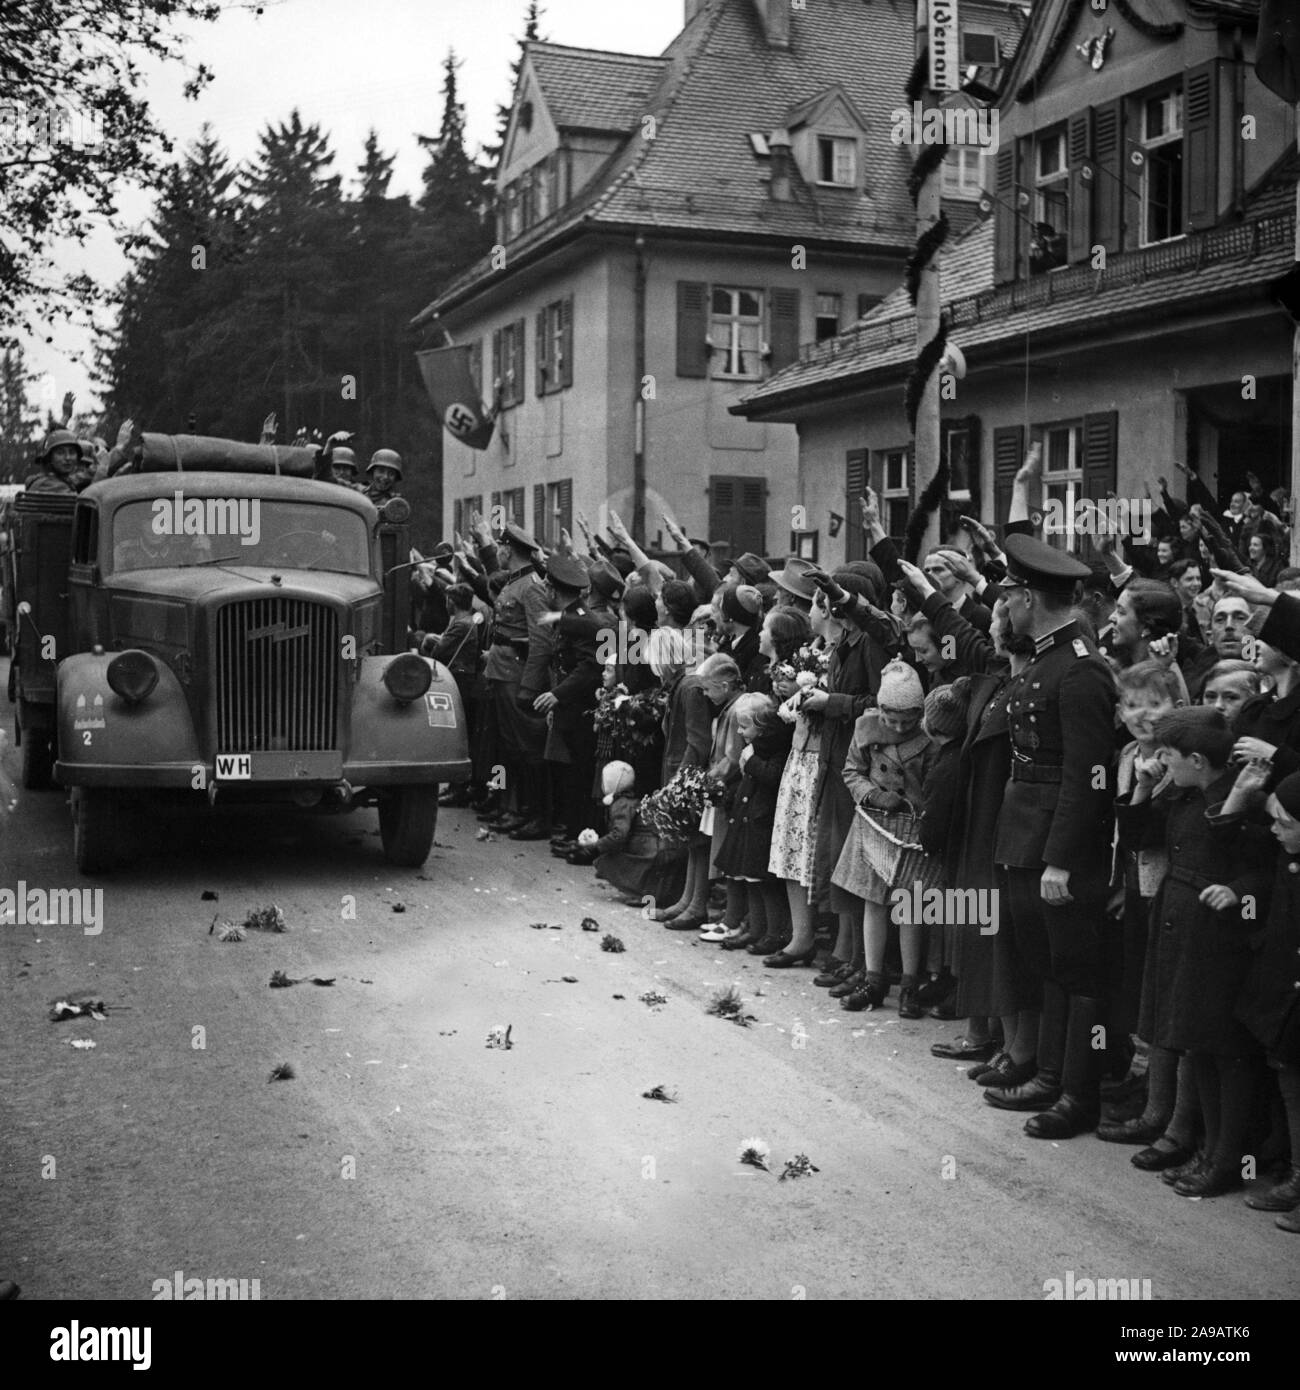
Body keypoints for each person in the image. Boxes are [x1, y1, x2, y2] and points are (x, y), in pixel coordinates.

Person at [982, 533, 1118, 1142]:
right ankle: (1052, 1073)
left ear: (1030, 598)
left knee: (1080, 974)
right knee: (1049, 966)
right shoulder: (1047, 659)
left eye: (1010, 595)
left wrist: (1060, 860)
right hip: (1026, 834)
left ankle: (1079, 1095)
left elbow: (1087, 777)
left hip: (1059, 849)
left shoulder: (1082, 670)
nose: (1004, 607)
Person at [1116, 708, 1273, 1197]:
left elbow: (1263, 871)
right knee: (1194, 1044)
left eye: (1167, 755)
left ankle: (1227, 1159)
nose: (1159, 761)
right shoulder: (1183, 794)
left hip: (1217, 939)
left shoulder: (1241, 799)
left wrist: (1236, 892)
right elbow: (1141, 839)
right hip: (1179, 924)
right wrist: (1142, 788)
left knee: (1223, 1051)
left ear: (1199, 760)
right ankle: (1203, 1149)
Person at [1234, 769, 1300, 1230]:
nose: (1274, 830)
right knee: (1291, 1083)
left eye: (1285, 822)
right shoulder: (1287, 859)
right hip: (1285, 992)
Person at [481, 523, 551, 838]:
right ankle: (515, 808)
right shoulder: (516, 581)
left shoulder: (531, 586)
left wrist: (530, 686)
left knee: (527, 747)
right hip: (502, 670)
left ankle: (535, 814)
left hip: (517, 673)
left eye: (499, 547)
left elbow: (541, 640)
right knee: (510, 746)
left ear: (509, 549)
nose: (498, 551)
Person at [713, 693, 795, 960]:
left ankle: (772, 932)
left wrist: (752, 762)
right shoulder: (756, 748)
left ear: (762, 726)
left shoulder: (774, 749)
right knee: (751, 878)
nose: (739, 731)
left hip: (763, 820)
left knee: (765, 882)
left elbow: (773, 776)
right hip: (750, 817)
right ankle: (756, 928)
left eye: (744, 726)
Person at [535, 553, 602, 850]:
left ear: (553, 590)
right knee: (568, 773)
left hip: (582, 711)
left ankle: (579, 834)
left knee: (579, 773)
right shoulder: (571, 618)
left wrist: (557, 695)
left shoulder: (584, 622)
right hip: (569, 709)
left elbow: (588, 668)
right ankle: (572, 829)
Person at [25, 430, 90, 494]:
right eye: (60, 453)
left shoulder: (55, 480)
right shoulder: (49, 485)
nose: (68, 458)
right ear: (49, 457)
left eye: (72, 452)